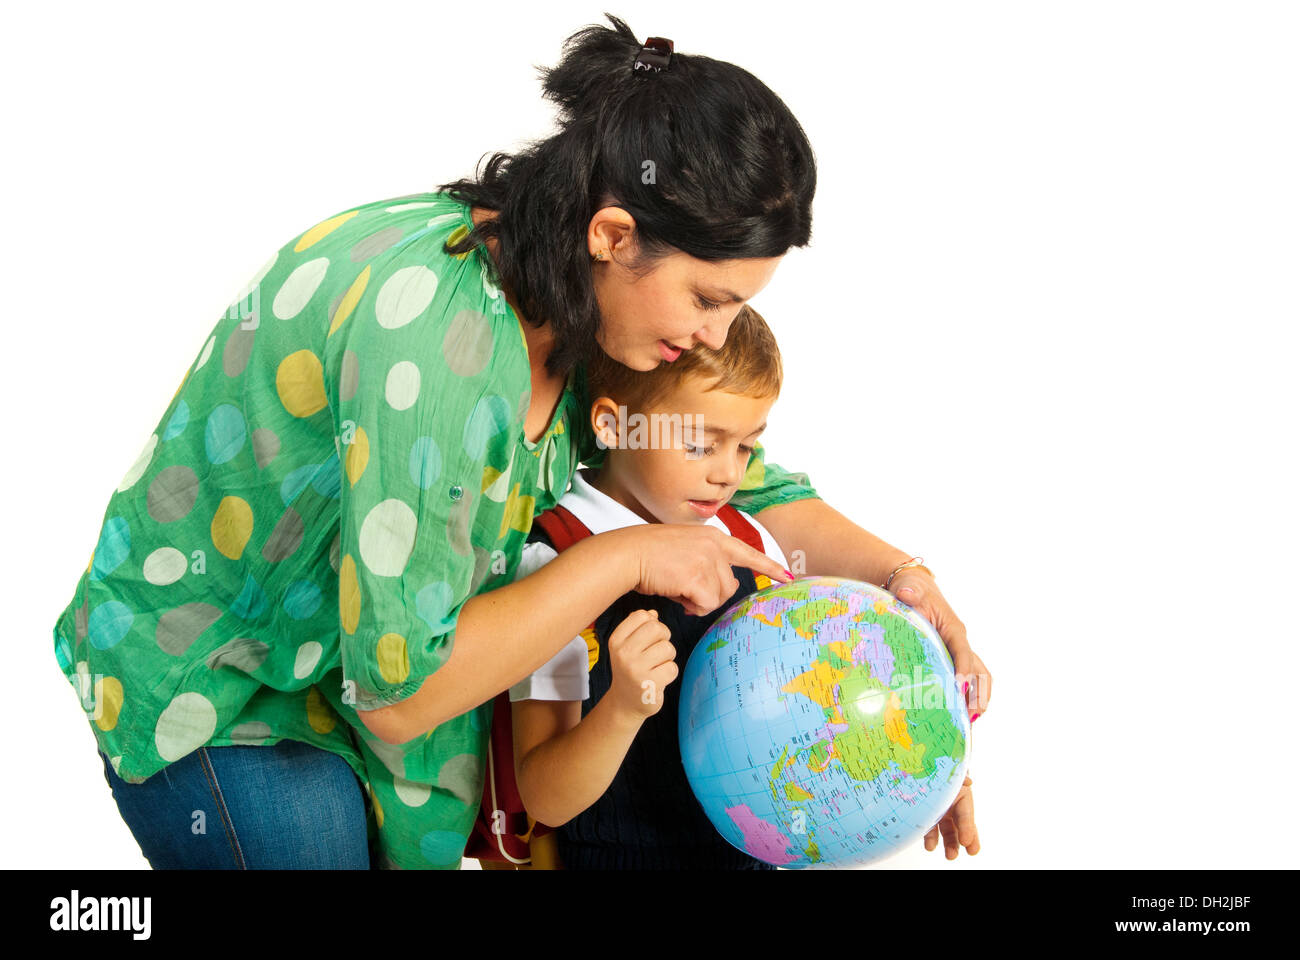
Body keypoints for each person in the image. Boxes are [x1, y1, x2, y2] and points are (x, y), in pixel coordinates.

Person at [54, 14, 988, 870]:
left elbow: (734, 474)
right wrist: (625, 557)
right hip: (233, 682)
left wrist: (906, 582)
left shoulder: (587, 304)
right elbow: (404, 692)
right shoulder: (440, 348)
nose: (714, 335)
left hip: (358, 665)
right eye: (711, 299)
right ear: (616, 234)